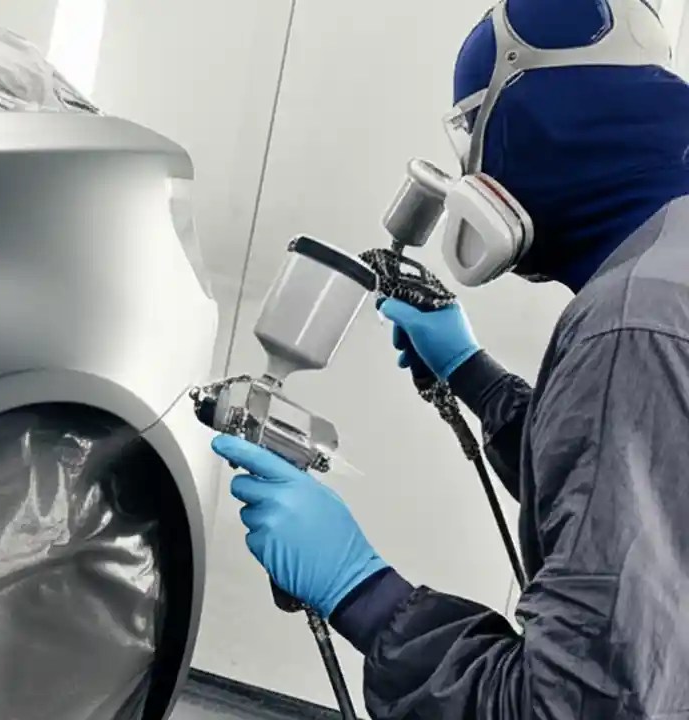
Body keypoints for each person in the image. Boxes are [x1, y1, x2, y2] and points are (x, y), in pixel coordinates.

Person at [212, 0, 689, 716]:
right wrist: (475, 375)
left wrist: (363, 592)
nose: (469, 167)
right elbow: (641, 492)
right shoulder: (664, 272)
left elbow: (570, 707)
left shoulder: (631, 325)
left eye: (474, 128)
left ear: (535, 122)